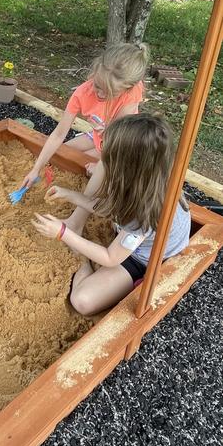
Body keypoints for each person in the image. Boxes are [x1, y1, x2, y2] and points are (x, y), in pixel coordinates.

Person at [31, 114, 190, 316]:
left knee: (82, 301)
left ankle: (80, 257)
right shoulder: (146, 180)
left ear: (127, 165)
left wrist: (64, 233)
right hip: (136, 235)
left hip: (144, 258)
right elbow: (110, 208)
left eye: (108, 151)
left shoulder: (146, 209)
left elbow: (110, 257)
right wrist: (71, 196)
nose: (102, 152)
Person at [22, 41, 149, 236]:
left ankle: (76, 222)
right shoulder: (82, 93)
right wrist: (35, 169)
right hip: (99, 135)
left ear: (129, 88)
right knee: (66, 150)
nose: (99, 93)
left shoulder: (133, 92)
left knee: (101, 169)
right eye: (97, 85)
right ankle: (95, 162)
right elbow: (58, 134)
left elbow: (115, 144)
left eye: (108, 92)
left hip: (124, 145)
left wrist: (99, 163)